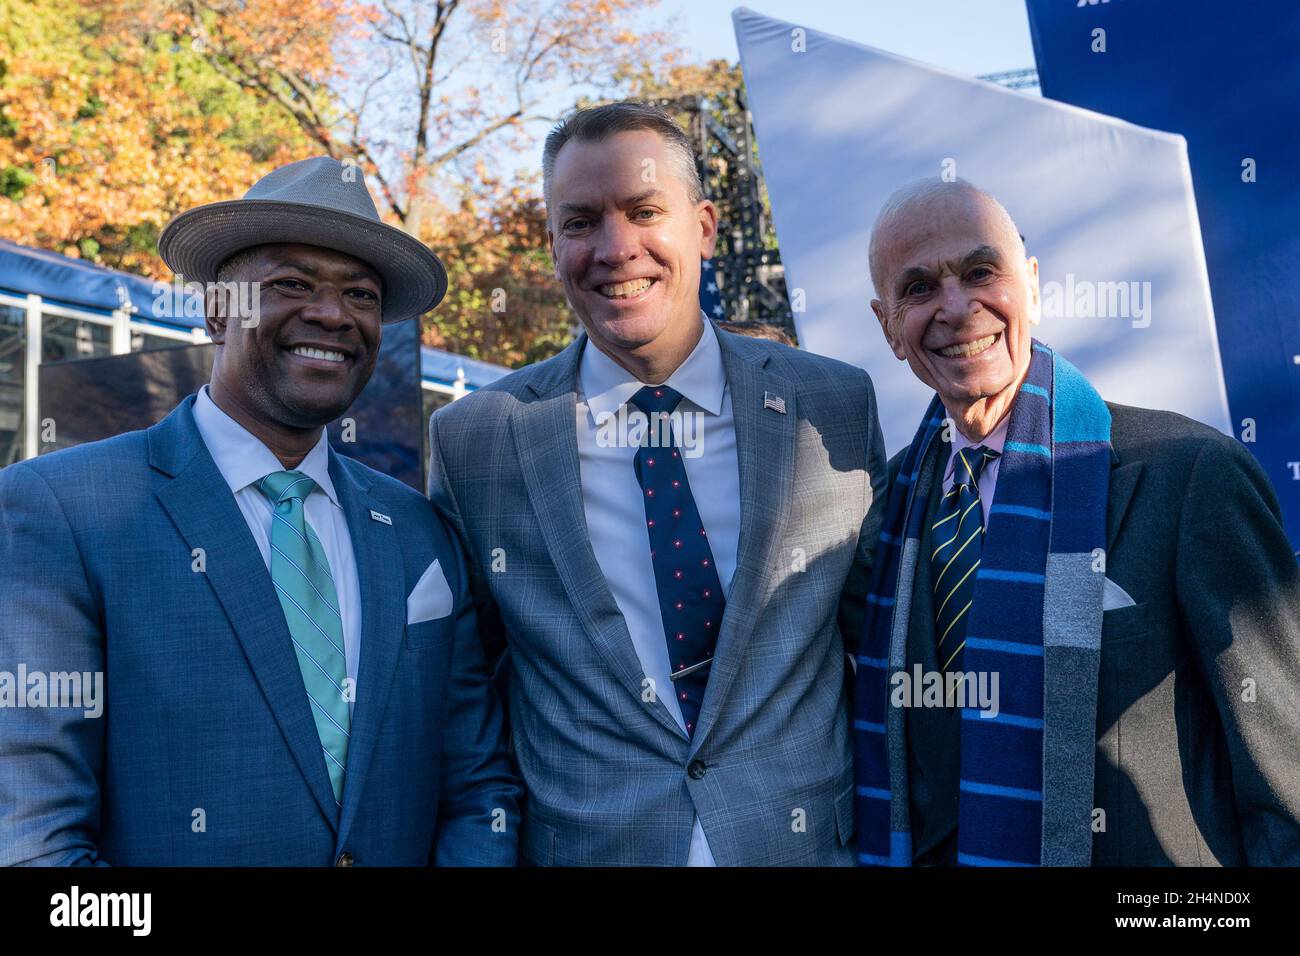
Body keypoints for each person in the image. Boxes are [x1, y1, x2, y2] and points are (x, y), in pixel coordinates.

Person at [0, 156, 521, 866]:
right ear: (218, 308)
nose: (332, 314)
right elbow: (35, 841)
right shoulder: (62, 511)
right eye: (291, 283)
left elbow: (477, 787)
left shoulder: (419, 532)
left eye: (360, 295)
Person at [428, 102, 888, 865]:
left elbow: (870, 642)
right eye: (580, 223)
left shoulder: (832, 404)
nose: (615, 248)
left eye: (644, 212)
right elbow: (466, 687)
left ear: (704, 226)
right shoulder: (480, 436)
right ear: (552, 244)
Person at [855, 177, 1300, 866]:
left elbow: (1286, 774)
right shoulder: (889, 517)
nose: (957, 307)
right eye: (919, 289)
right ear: (888, 325)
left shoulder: (1189, 476)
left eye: (980, 272)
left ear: (1030, 284)